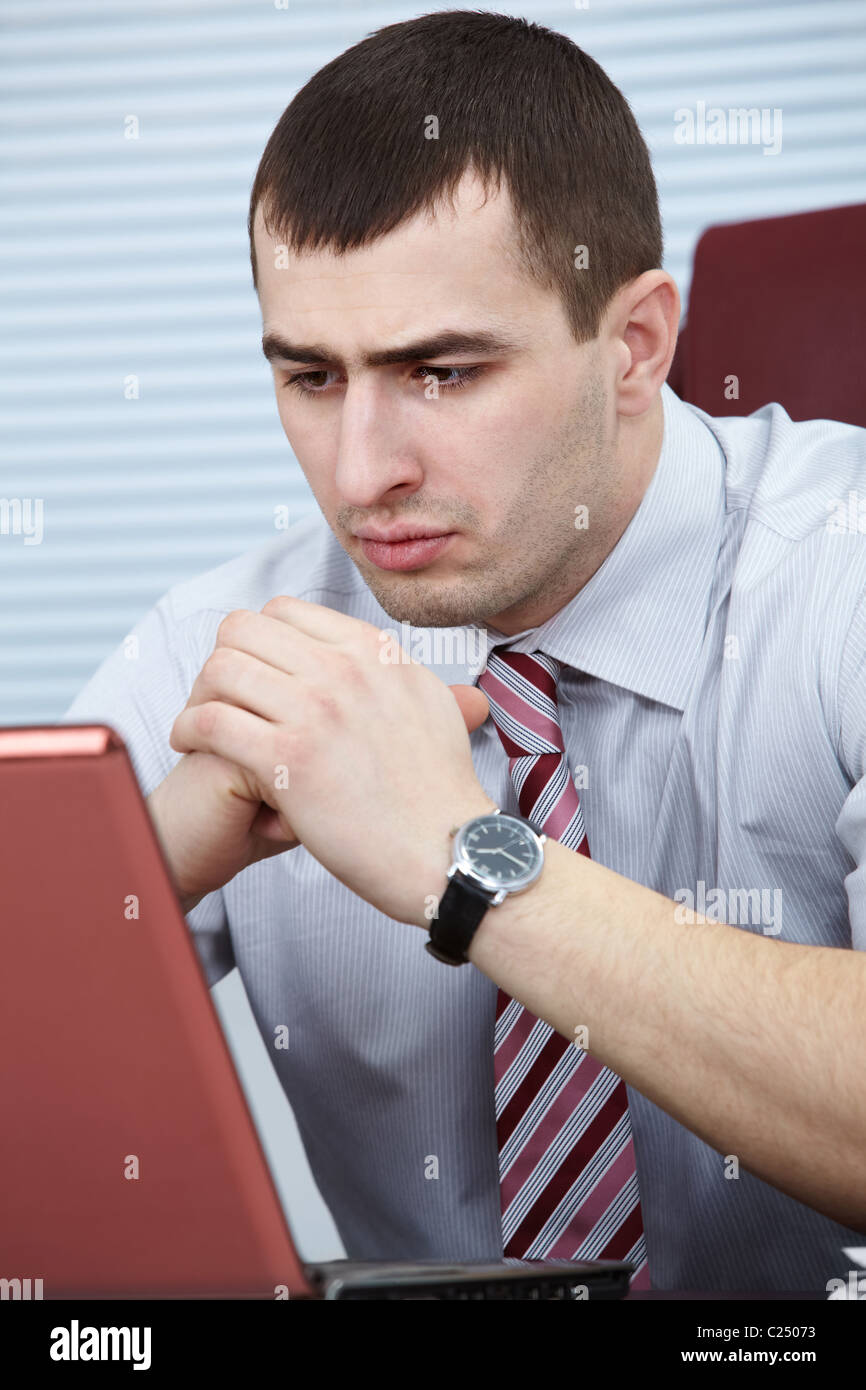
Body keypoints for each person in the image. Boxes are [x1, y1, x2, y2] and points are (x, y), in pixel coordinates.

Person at [60, 11, 866, 1293]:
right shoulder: (220, 652)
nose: (359, 473)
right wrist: (144, 863)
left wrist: (467, 864)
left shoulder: (839, 570)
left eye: (439, 371)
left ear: (635, 346)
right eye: (310, 378)